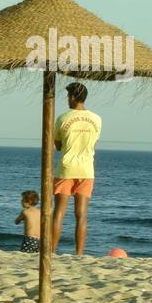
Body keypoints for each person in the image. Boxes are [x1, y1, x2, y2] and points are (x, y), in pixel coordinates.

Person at [50, 82, 102, 255]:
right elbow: (94, 143)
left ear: (72, 97)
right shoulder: (97, 119)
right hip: (87, 170)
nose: (67, 100)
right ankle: (79, 253)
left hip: (66, 168)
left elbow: (57, 145)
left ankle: (51, 250)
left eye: (68, 97)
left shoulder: (63, 118)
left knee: (59, 213)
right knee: (81, 215)